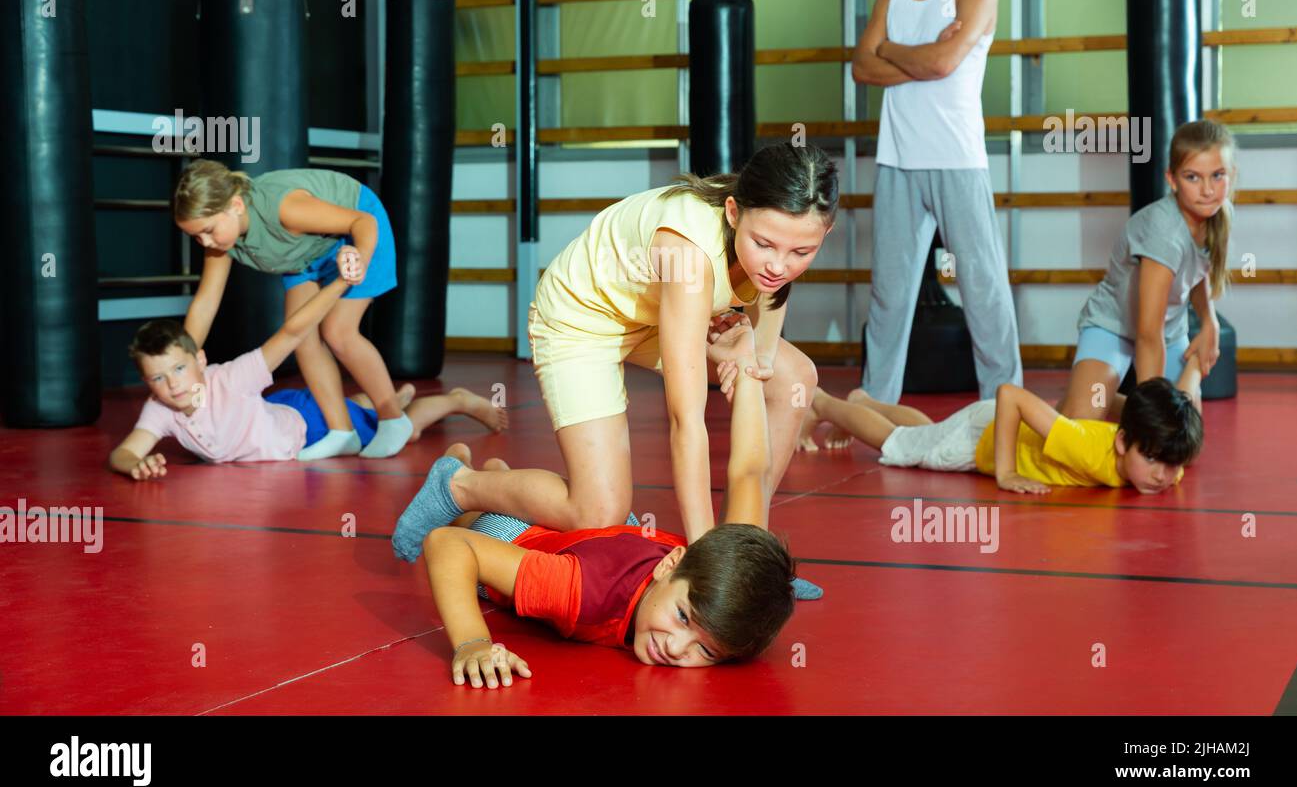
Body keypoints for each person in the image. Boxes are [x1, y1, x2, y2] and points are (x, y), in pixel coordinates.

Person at [397, 144, 833, 562]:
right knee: (597, 510)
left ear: (824, 234)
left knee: (792, 379)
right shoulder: (688, 254)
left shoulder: (774, 263)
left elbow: (760, 368)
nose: (779, 266)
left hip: (655, 318)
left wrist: (743, 357)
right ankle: (459, 486)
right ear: (734, 212)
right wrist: (705, 563)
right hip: (581, 318)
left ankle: (746, 552)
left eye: (802, 252)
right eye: (764, 245)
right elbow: (687, 421)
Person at [392, 315, 797, 688]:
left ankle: (494, 473)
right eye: (681, 618)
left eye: (705, 651)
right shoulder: (583, 592)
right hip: (514, 536)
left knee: (601, 525)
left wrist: (745, 368)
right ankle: (463, 482)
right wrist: (472, 642)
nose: (676, 647)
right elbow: (446, 545)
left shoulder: (711, 557)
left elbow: (749, 471)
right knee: (477, 531)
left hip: (604, 540)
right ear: (671, 564)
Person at [852, 0, 1021, 407]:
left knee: (983, 287)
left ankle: (1003, 406)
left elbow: (943, 65)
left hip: (957, 160)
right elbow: (861, 67)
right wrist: (921, 54)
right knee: (889, 295)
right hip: (898, 158)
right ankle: (876, 405)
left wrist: (892, 49)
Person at [109, 259, 505, 476]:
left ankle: (456, 401)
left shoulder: (230, 379)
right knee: (358, 408)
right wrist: (135, 464)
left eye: (178, 370)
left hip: (305, 424)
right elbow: (124, 452)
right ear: (147, 383)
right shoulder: (159, 408)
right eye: (158, 378)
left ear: (200, 360)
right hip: (274, 409)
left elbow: (292, 332)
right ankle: (382, 398)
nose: (172, 385)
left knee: (406, 431)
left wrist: (336, 286)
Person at [172, 160, 411, 460]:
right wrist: (183, 358)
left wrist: (360, 257)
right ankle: (342, 432)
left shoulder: (284, 208)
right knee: (303, 337)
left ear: (235, 205)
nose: (205, 242)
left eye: (207, 231)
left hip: (358, 230)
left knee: (338, 331)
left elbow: (362, 222)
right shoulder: (220, 243)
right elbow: (206, 301)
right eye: (196, 237)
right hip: (303, 255)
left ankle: (392, 417)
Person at [802, 352, 1203, 496]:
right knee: (901, 444)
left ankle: (865, 401)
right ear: (1120, 443)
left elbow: (1172, 446)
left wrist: (1195, 372)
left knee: (930, 431)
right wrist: (1006, 472)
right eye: (1153, 460)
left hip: (990, 424)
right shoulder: (1083, 443)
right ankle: (823, 404)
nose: (1163, 475)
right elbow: (1012, 394)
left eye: (1171, 465)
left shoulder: (1163, 460)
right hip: (982, 440)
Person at [1058, 120, 1235, 421]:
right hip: (1113, 325)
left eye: (1217, 176)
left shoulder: (1219, 215)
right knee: (1085, 422)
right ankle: (1087, 396)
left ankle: (1101, 396)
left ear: (1230, 175)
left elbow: (1195, 271)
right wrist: (1155, 412)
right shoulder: (1163, 233)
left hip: (1169, 332)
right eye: (1193, 177)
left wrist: (1209, 322)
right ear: (1172, 179)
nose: (1207, 190)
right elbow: (1147, 333)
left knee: (1182, 445)